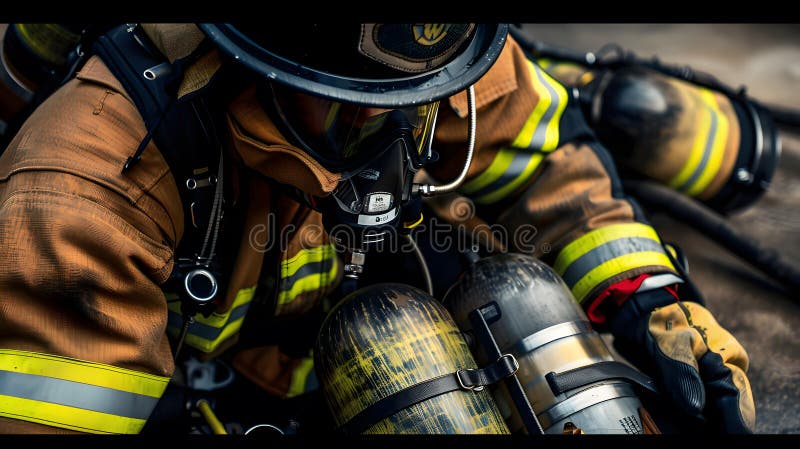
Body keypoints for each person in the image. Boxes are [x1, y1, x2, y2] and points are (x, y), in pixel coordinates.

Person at [0, 23, 754, 434]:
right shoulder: (87, 188)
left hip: (324, 325)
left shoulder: (433, 56)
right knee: (387, 340)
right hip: (206, 385)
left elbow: (545, 161)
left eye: (407, 98)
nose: (378, 122)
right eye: (338, 103)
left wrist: (650, 299)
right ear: (248, 62)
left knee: (521, 296)